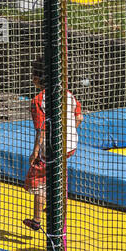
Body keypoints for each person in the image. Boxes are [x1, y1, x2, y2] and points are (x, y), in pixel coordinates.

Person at [24, 57, 84, 231]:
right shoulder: (67, 94)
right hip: (70, 145)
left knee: (39, 180)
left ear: (36, 78)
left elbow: (41, 130)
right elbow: (79, 117)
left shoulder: (38, 101)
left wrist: (35, 152)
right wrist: (69, 130)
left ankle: (37, 219)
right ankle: (56, 206)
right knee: (57, 174)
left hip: (51, 148)